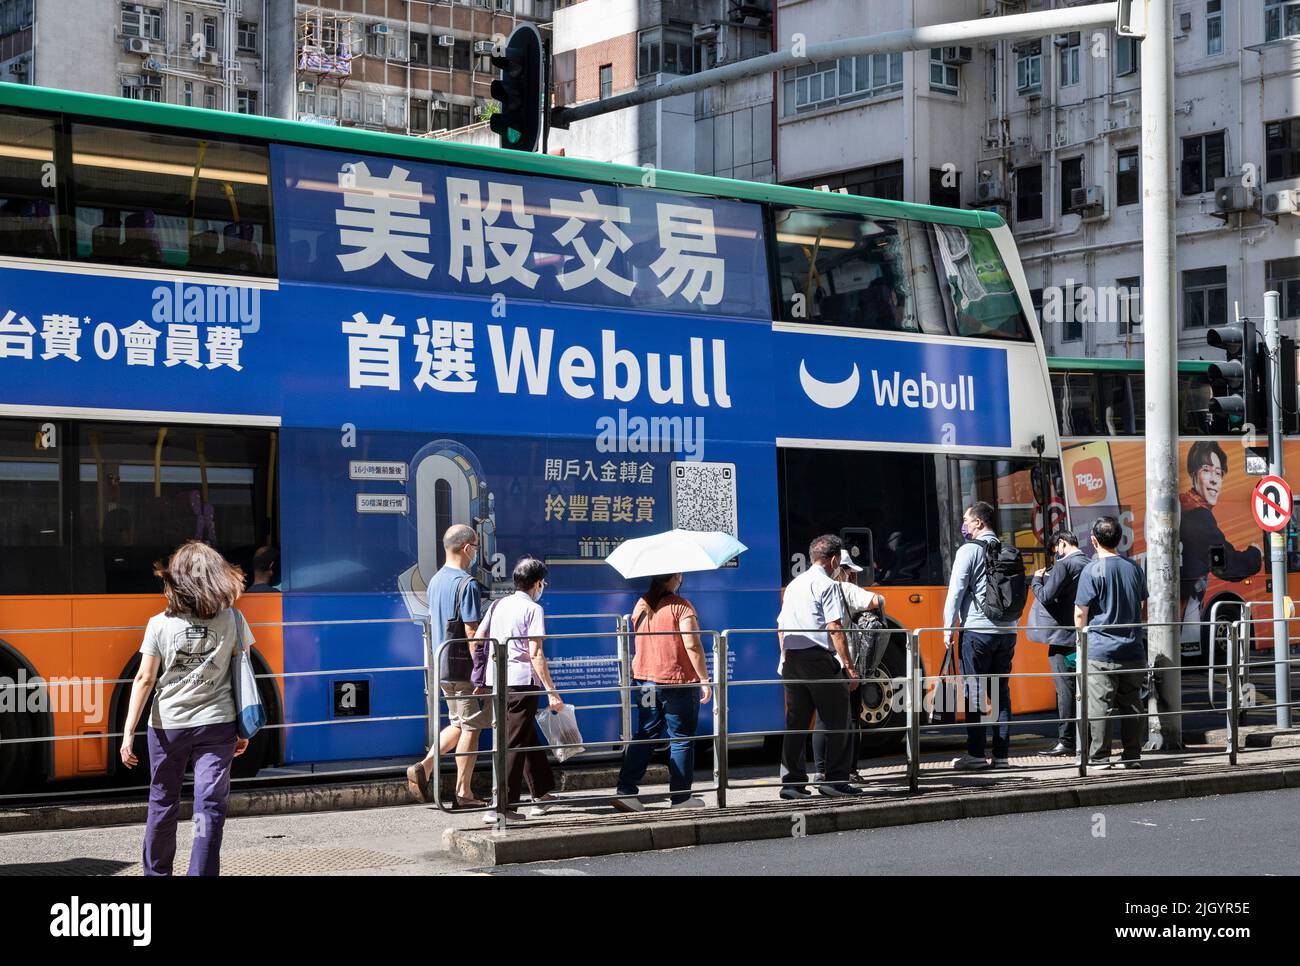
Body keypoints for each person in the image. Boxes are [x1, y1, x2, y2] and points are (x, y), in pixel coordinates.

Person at [120, 541, 252, 876]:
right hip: (218, 724)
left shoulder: (158, 623)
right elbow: (242, 673)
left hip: (167, 728)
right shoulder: (234, 619)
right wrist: (243, 727)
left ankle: (157, 874)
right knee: (209, 807)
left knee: (162, 803)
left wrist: (127, 734)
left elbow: (144, 680)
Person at [472, 557, 564, 821]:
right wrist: (552, 691)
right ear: (537, 584)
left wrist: (481, 676)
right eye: (542, 582)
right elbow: (536, 654)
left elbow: (479, 638)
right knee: (513, 742)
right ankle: (503, 806)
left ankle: (542, 792)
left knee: (521, 735)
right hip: (522, 682)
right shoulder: (533, 610)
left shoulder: (498, 604)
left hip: (496, 680)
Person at [613, 573, 712, 812]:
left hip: (645, 679)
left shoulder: (641, 605)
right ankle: (680, 798)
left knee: (646, 733)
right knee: (682, 738)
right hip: (676, 680)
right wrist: (704, 679)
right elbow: (692, 645)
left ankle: (626, 791)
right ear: (676, 577)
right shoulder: (681, 606)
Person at [405, 524, 488, 809]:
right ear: (467, 548)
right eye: (476, 546)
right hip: (463, 668)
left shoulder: (437, 580)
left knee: (457, 723)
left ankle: (424, 768)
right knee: (472, 728)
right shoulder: (467, 584)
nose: (476, 552)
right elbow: (471, 630)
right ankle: (463, 793)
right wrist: (480, 671)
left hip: (442, 665)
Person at [776, 534, 862, 799]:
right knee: (839, 719)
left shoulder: (794, 585)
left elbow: (780, 627)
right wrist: (849, 666)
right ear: (834, 559)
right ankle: (834, 781)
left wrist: (784, 658)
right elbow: (835, 628)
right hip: (818, 658)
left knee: (797, 723)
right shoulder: (828, 585)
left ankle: (792, 783)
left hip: (791, 658)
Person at [943, 501, 1018, 770]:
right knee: (1000, 692)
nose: (964, 524)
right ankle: (1001, 756)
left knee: (974, 691)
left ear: (978, 523)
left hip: (977, 631)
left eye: (966, 519)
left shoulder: (969, 550)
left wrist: (948, 628)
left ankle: (975, 754)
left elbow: (956, 591)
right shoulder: (1009, 549)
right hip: (1008, 632)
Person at [1075, 515, 1149, 769]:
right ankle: (1132, 755)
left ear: (1094, 541)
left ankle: (1100, 757)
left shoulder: (1091, 570)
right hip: (1132, 648)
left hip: (1100, 649)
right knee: (1132, 704)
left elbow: (1080, 613)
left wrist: (1080, 639)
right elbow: (1141, 605)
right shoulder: (1134, 568)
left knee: (1100, 705)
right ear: (1120, 539)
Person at [1178, 441, 1261, 649]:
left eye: (1219, 473)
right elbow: (1225, 564)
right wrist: (1255, 554)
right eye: (1206, 470)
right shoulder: (1197, 515)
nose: (1214, 480)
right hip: (1183, 612)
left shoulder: (1185, 506)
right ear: (1193, 474)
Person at [812, 552, 884, 783]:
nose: (853, 576)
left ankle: (820, 771)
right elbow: (877, 600)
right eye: (851, 572)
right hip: (845, 659)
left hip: (819, 658)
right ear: (841, 568)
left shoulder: (811, 586)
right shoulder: (844, 588)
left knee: (823, 717)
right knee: (852, 716)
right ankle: (850, 770)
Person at [1028, 529, 1088, 757]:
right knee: (1082, 689)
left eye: (1056, 551)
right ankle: (1085, 738)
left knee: (1065, 690)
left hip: (1061, 638)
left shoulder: (1065, 565)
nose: (1057, 556)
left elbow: (1045, 596)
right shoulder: (1088, 562)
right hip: (1081, 635)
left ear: (1062, 544)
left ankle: (1067, 741)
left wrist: (1036, 579)